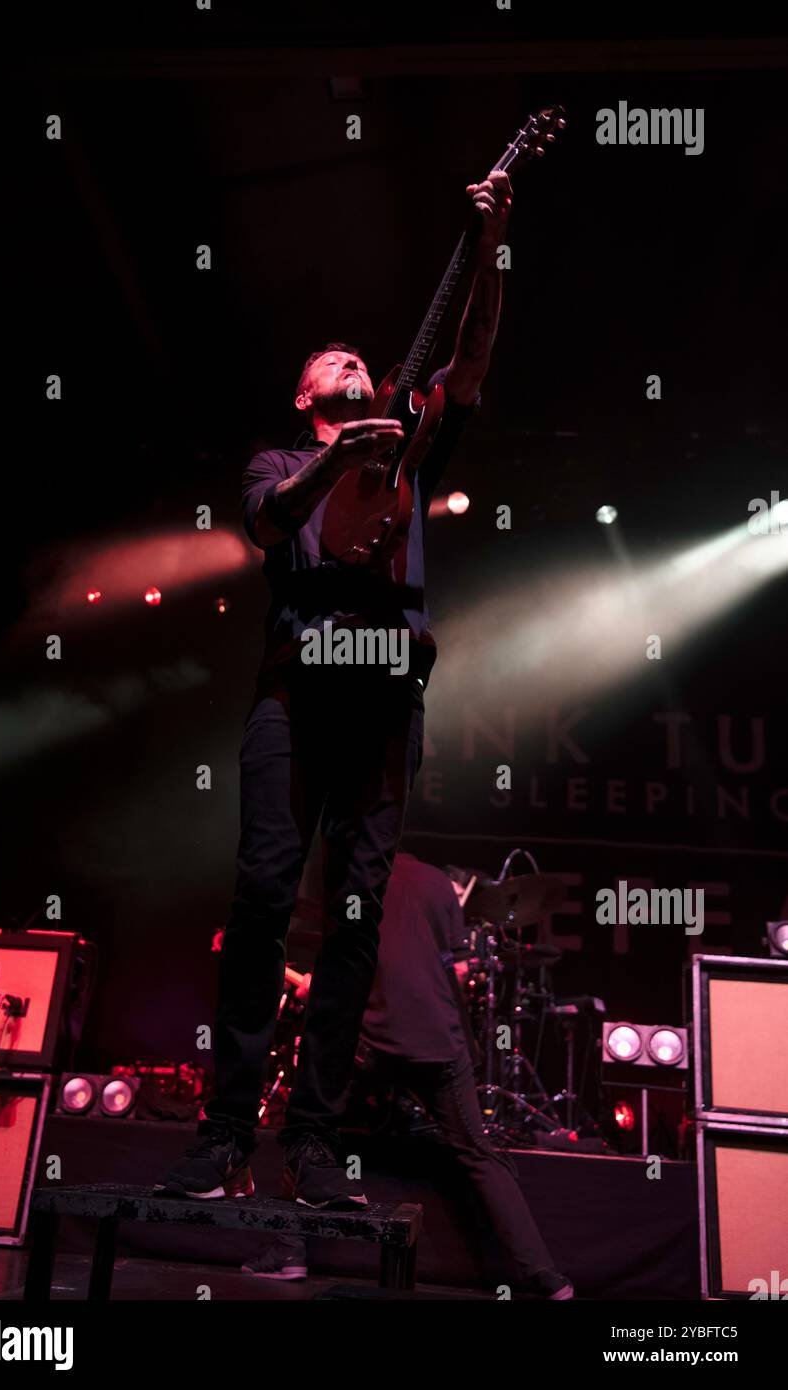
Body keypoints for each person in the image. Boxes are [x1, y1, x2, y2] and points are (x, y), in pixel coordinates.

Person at [156, 168, 514, 1209]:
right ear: (306, 394)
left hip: (382, 700)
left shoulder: (408, 443)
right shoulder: (276, 460)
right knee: (265, 896)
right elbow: (268, 529)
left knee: (352, 918)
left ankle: (311, 1140)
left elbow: (473, 350)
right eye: (333, 359)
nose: (353, 360)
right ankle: (225, 1136)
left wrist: (485, 241)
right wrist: (337, 459)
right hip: (290, 697)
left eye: (362, 356)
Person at [242, 853, 573, 1298]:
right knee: (479, 1153)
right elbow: (457, 967)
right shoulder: (438, 881)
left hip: (373, 1042)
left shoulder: (349, 878)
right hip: (442, 1044)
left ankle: (287, 1253)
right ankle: (544, 1276)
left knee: (308, 1127)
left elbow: (337, 980)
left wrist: (292, 976)